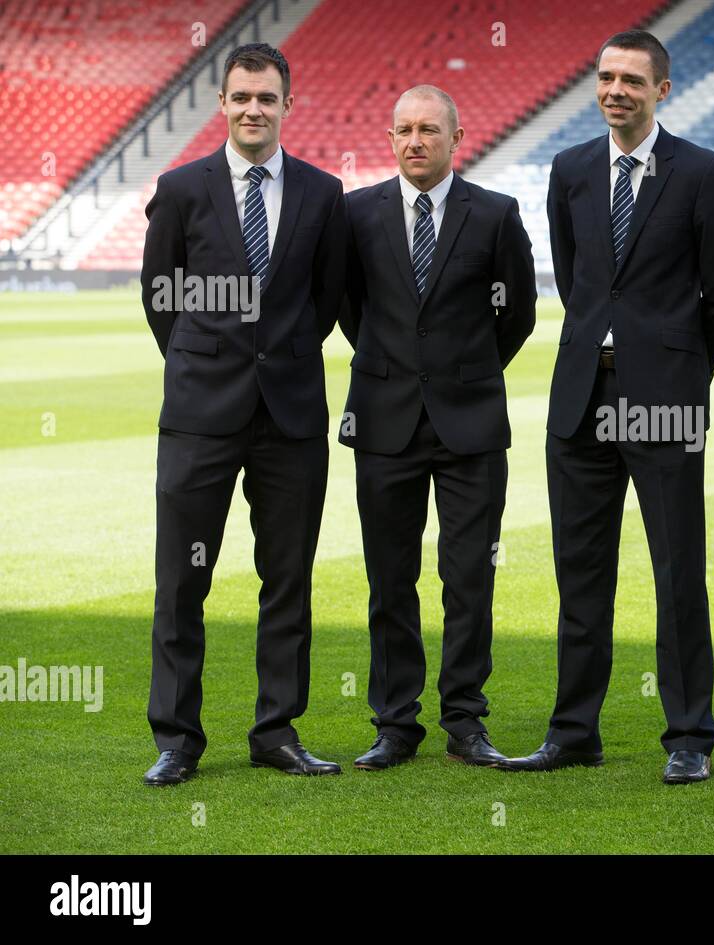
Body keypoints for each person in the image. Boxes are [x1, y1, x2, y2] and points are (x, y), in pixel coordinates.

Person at [502, 29, 714, 784]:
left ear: (661, 91)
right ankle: (574, 729)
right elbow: (580, 280)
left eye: (632, 81)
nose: (615, 91)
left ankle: (689, 736)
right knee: (580, 573)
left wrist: (677, 364)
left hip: (663, 401)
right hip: (581, 397)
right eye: (606, 78)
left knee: (677, 569)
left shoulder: (702, 172)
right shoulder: (571, 168)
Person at [141, 43, 347, 784]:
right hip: (200, 413)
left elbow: (325, 301)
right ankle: (177, 738)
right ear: (221, 105)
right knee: (181, 579)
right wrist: (206, 362)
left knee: (286, 576)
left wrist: (278, 356)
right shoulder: (181, 188)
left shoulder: (325, 194)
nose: (253, 109)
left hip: (289, 415)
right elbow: (161, 297)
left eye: (267, 97)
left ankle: (276, 729)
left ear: (289, 105)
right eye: (241, 97)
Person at [338, 86, 536, 771]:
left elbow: (518, 314)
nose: (414, 140)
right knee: (390, 580)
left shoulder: (497, 214)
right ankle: (395, 723)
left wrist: (465, 371)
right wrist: (398, 370)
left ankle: (464, 721)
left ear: (457, 137)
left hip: (471, 423)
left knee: (467, 579)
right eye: (403, 130)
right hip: (384, 420)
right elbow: (348, 308)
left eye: (428, 129)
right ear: (391, 138)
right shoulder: (356, 213)